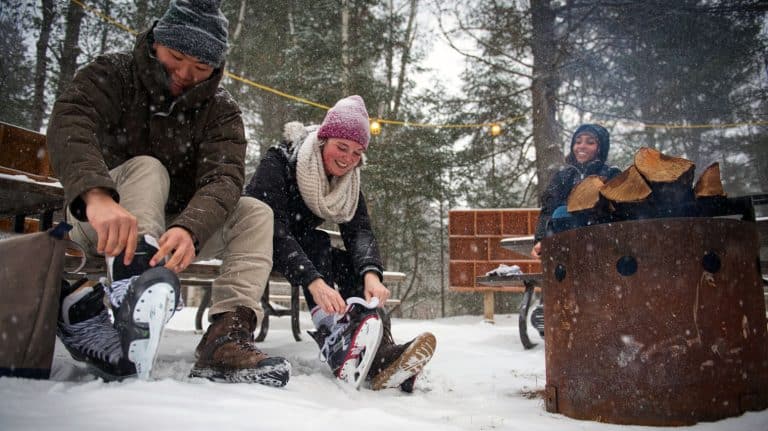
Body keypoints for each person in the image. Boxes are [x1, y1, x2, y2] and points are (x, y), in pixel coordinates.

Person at [47, 0, 290, 387]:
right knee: (148, 167)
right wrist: (96, 196)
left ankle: (225, 337)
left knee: (255, 212)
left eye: (201, 68)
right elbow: (70, 122)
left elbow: (224, 178)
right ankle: (133, 284)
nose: (185, 74)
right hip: (95, 220)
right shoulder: (113, 73)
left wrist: (191, 228)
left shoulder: (222, 111)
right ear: (157, 42)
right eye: (176, 57)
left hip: (171, 236)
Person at [245, 95, 436, 392]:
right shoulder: (280, 160)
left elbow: (359, 230)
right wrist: (315, 282)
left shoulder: (349, 182)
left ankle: (382, 351)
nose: (348, 159)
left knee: (350, 265)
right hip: (258, 242)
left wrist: (371, 275)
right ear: (323, 140)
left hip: (304, 250)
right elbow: (274, 228)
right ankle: (334, 335)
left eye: (357, 152)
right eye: (341, 147)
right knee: (316, 240)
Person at [531, 124, 621, 257]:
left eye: (590, 142)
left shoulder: (611, 174)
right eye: (577, 142)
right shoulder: (563, 177)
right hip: (564, 246)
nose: (582, 146)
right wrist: (541, 240)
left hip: (602, 244)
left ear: (600, 148)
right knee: (560, 211)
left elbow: (620, 214)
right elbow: (548, 210)